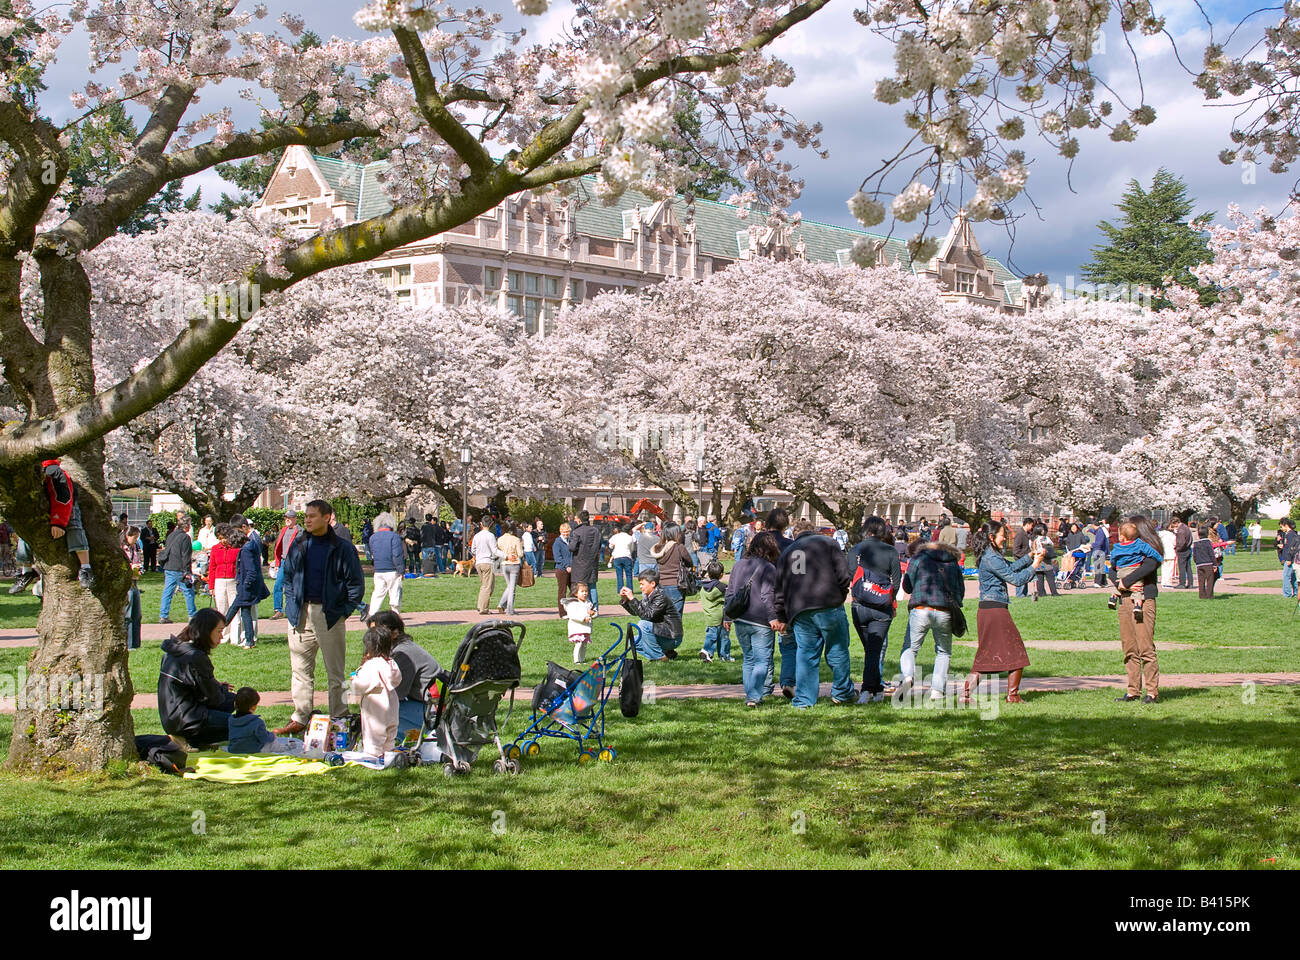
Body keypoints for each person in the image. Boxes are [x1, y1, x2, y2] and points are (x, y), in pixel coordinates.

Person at [273, 499, 366, 737]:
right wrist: (292, 604)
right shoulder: (299, 544)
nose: (307, 520)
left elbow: (355, 584)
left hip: (330, 614)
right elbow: (288, 578)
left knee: (335, 672)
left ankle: (339, 716)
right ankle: (300, 717)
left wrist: (343, 611)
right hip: (300, 614)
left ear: (327, 517)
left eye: (312, 516)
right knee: (300, 671)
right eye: (306, 516)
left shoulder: (342, 548)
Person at [773, 519, 855, 708]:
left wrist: (782, 615)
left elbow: (779, 589)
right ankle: (842, 692)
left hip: (800, 609)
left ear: (795, 534)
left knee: (806, 654)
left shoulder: (787, 553)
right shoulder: (829, 544)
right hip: (829, 604)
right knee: (838, 649)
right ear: (814, 530)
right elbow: (844, 575)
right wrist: (840, 595)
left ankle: (804, 699)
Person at [963, 521, 1043, 704]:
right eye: (1002, 535)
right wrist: (1035, 565)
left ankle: (965, 694)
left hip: (990, 609)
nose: (1005, 539)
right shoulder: (991, 557)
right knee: (1016, 651)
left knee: (987, 654)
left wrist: (1030, 556)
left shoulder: (992, 555)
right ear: (992, 537)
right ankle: (1012, 695)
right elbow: (1015, 579)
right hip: (995, 610)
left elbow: (1009, 568)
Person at [157, 608, 236, 749]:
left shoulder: (175, 650)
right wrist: (223, 691)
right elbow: (213, 699)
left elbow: (195, 687)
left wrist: (219, 688)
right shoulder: (195, 656)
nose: (222, 637)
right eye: (219, 631)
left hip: (173, 717)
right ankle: (192, 739)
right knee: (243, 724)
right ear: (206, 631)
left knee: (230, 699)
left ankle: (192, 739)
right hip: (188, 720)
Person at [898, 536, 964, 702]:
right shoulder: (952, 561)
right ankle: (937, 690)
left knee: (910, 648)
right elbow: (960, 589)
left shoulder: (918, 559)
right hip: (944, 610)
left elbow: (907, 585)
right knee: (943, 651)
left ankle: (907, 676)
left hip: (921, 608)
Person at [847, 516, 902, 704]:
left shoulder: (855, 550)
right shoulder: (890, 551)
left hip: (859, 605)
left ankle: (875, 688)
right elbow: (896, 581)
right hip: (881, 607)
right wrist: (889, 599)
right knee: (873, 650)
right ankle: (868, 689)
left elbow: (850, 576)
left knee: (870, 649)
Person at [366, 611, 444, 742]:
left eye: (377, 632)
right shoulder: (403, 648)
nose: (373, 637)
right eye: (371, 632)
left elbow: (394, 695)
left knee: (381, 707)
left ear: (395, 633)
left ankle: (414, 737)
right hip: (432, 706)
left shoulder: (402, 654)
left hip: (436, 713)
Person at [725, 531, 779, 706]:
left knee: (748, 659)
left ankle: (751, 695)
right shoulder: (768, 567)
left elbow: (731, 592)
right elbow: (766, 595)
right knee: (761, 660)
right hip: (761, 620)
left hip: (740, 618)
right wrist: (773, 617)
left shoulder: (739, 565)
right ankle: (754, 696)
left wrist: (727, 616)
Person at [1113, 515, 1163, 703]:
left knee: (1145, 647)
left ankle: (1152, 691)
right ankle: (1133, 690)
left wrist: (1126, 582)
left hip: (1144, 599)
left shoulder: (1147, 551)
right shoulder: (1124, 550)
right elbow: (1113, 569)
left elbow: (1148, 567)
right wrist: (1120, 585)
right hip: (1125, 599)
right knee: (1129, 647)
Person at [350, 625, 403, 762]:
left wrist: (355, 678)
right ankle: (388, 752)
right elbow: (397, 679)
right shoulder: (391, 663)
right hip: (391, 701)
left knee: (374, 731)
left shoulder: (371, 665)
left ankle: (373, 755)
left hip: (375, 703)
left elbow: (361, 685)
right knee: (390, 730)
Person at [40, 458, 94, 590]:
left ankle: (86, 568)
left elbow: (63, 497)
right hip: (52, 508)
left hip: (66, 509)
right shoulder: (46, 471)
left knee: (75, 529)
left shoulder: (53, 471)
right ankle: (26, 569)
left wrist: (58, 522)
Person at [619, 568, 683, 661]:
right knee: (632, 641)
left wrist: (632, 598)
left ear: (652, 584)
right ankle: (665, 654)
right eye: (640, 584)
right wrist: (626, 600)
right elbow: (637, 611)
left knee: (643, 624)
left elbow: (647, 616)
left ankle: (660, 657)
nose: (640, 587)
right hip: (661, 634)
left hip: (672, 637)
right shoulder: (648, 595)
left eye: (642, 584)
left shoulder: (660, 596)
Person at [226, 515, 269, 649]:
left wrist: (245, 585)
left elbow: (251, 571)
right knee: (244, 612)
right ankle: (249, 640)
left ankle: (217, 628)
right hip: (246, 585)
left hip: (246, 586)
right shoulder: (250, 544)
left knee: (234, 610)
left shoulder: (248, 548)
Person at [1108, 521, 1165, 620]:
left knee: (1119, 581)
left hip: (1121, 571)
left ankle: (1113, 597)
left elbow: (1112, 562)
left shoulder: (1117, 547)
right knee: (1137, 589)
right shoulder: (1140, 545)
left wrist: (1116, 567)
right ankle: (1138, 605)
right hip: (1133, 569)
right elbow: (1153, 554)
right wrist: (1160, 558)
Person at [227, 688, 304, 755]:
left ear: (235, 704)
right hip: (254, 750)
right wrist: (272, 735)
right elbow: (264, 738)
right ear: (253, 707)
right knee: (271, 743)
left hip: (234, 750)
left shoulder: (231, 720)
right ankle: (285, 748)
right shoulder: (257, 722)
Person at [650, 522, 694, 629]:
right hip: (676, 584)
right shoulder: (679, 547)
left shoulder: (658, 548)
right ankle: (672, 640)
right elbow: (690, 562)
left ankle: (663, 637)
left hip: (661, 584)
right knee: (676, 616)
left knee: (664, 614)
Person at [158, 514, 197, 624]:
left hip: (169, 566)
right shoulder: (185, 537)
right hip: (179, 568)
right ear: (186, 526)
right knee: (188, 591)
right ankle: (192, 615)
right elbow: (185, 556)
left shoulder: (171, 535)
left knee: (167, 591)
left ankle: (163, 615)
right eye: (189, 524)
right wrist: (187, 571)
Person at [365, 512, 405, 616]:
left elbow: (374, 553)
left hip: (378, 570)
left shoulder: (373, 538)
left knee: (377, 593)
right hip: (392, 570)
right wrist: (401, 571)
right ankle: (395, 615)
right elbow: (397, 555)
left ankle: (372, 615)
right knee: (395, 593)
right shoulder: (394, 537)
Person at [206, 523, 240, 644]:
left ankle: (235, 637)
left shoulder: (235, 548)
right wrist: (211, 586)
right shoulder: (215, 549)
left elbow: (238, 565)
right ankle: (223, 636)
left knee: (235, 609)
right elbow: (212, 567)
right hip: (219, 581)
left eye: (224, 537)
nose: (223, 541)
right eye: (220, 538)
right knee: (221, 609)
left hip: (232, 580)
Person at [568, 510, 602, 615]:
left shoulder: (577, 532)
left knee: (580, 587)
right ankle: (595, 609)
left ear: (578, 519)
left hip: (580, 563)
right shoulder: (595, 531)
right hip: (592, 562)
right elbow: (599, 545)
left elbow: (572, 548)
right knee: (592, 586)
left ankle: (582, 609)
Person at [697, 559, 731, 662]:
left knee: (711, 635)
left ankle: (708, 656)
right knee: (723, 637)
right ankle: (717, 654)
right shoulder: (722, 588)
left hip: (709, 617)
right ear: (721, 575)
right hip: (720, 616)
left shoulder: (703, 587)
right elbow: (730, 596)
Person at [269, 508, 299, 620]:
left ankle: (292, 609)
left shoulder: (299, 531)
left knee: (290, 587)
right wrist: (276, 562)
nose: (287, 519)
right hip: (283, 561)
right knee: (277, 585)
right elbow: (278, 547)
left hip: (293, 562)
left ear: (295, 519)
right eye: (286, 517)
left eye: (289, 517)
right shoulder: (283, 530)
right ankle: (278, 610)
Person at [471, 517, 500, 615]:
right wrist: (505, 555)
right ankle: (484, 609)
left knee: (485, 585)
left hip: (479, 562)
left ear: (481, 523)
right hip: (488, 562)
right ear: (491, 524)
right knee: (488, 587)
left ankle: (480, 606)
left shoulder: (477, 536)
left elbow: (473, 550)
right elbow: (494, 550)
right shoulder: (490, 535)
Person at [122, 525, 144, 650]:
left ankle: (136, 642)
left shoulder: (135, 547)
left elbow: (138, 560)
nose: (136, 540)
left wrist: (139, 568)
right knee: (128, 614)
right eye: (134, 537)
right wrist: (130, 567)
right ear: (127, 536)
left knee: (137, 613)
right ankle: (129, 644)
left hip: (135, 581)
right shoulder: (122, 548)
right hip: (127, 582)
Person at [496, 522, 524, 615]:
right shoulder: (516, 539)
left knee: (509, 586)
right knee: (512, 588)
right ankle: (510, 609)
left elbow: (498, 551)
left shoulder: (500, 539)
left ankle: (501, 604)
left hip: (504, 564)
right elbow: (520, 554)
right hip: (514, 564)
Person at [563, 582, 595, 662]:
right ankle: (576, 660)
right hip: (577, 628)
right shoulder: (573, 604)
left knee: (584, 644)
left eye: (586, 591)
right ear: (576, 593)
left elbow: (593, 612)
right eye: (582, 591)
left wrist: (593, 613)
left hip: (586, 628)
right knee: (579, 643)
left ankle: (582, 659)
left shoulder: (588, 603)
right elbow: (572, 615)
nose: (585, 593)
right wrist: (583, 618)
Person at [1192, 524, 1221, 599]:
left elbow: (1194, 555)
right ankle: (1209, 595)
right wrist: (1215, 565)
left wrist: (1196, 562)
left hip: (1199, 564)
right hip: (1208, 563)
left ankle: (1202, 595)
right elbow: (1211, 554)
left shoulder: (1196, 543)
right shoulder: (1208, 542)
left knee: (1201, 581)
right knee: (1209, 580)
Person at [609, 522, 636, 594]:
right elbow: (632, 549)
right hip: (627, 556)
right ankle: (630, 590)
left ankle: (620, 590)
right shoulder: (630, 538)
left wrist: (613, 547)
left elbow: (610, 545)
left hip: (617, 556)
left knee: (619, 575)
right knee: (629, 575)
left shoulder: (615, 536)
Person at [553, 522, 573, 616]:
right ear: (560, 531)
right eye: (564, 532)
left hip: (571, 569)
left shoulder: (570, 541)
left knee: (574, 590)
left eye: (567, 532)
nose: (566, 533)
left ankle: (573, 609)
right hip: (561, 570)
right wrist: (567, 566)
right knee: (562, 591)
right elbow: (558, 558)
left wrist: (572, 566)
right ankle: (562, 613)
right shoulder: (557, 542)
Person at [1011, 518, 1035, 598]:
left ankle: (1024, 593)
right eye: (1031, 525)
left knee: (1025, 576)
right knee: (1021, 577)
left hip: (1026, 559)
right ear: (1027, 524)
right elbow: (1016, 550)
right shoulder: (1020, 534)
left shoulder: (1026, 534)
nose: (1032, 527)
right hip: (1021, 560)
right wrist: (1026, 556)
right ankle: (1020, 594)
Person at [1279, 518, 1300, 599]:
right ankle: (1296, 592)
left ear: (1286, 525)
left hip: (1290, 559)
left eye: (1282, 526)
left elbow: (1292, 548)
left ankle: (1287, 594)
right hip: (1292, 559)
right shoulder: (1291, 534)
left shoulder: (1290, 535)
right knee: (1294, 577)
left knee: (1286, 576)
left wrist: (1288, 559)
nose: (1281, 529)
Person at [1173, 517, 1194, 589]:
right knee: (1188, 567)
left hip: (1182, 550)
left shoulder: (1181, 530)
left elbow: (1181, 542)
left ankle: (1182, 583)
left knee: (1181, 567)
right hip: (1188, 549)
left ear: (1176, 523)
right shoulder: (1186, 527)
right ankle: (1190, 583)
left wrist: (1177, 549)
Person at [1158, 521, 1177, 588]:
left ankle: (1164, 582)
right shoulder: (1171, 535)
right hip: (1170, 553)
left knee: (1164, 568)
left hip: (1163, 553)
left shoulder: (1160, 534)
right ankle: (1168, 582)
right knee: (1169, 569)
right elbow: (1175, 543)